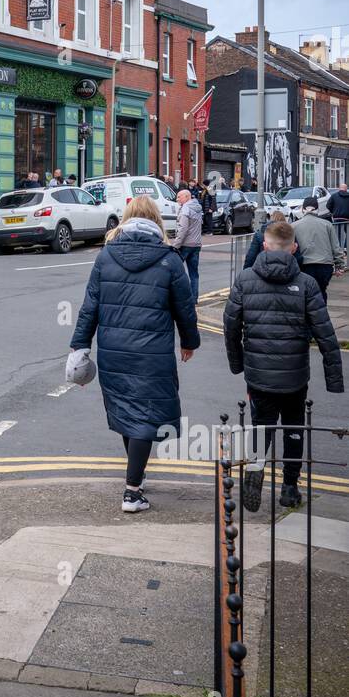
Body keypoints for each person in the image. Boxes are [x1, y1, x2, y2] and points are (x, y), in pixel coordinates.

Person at [68, 195, 199, 514]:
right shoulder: (169, 258)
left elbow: (90, 306)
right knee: (143, 417)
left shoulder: (106, 255)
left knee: (129, 413)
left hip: (114, 350)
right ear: (156, 219)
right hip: (152, 352)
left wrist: (80, 346)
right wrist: (189, 341)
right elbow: (184, 306)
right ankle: (132, 492)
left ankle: (135, 477)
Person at [223, 217, 343, 509]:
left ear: (264, 245)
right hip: (295, 378)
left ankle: (255, 470)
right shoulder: (307, 284)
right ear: (294, 248)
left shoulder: (245, 279)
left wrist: (238, 364)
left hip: (259, 375)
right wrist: (334, 379)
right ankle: (289, 487)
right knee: (294, 429)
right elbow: (326, 334)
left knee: (261, 427)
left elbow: (230, 327)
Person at [291, 198, 346, 304]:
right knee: (321, 291)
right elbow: (335, 247)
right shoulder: (327, 224)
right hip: (324, 265)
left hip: (304, 265)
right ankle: (321, 315)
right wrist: (340, 265)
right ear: (317, 209)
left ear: (303, 209)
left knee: (306, 293)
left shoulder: (294, 226)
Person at [173, 188, 203, 302]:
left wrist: (175, 245)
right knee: (194, 273)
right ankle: (194, 298)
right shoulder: (197, 208)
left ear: (187, 197)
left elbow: (183, 229)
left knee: (175, 271)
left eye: (179, 197)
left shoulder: (186, 209)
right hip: (196, 245)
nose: (177, 199)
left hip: (185, 245)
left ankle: (178, 297)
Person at [327, 181, 349, 251]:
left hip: (337, 218)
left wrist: (333, 212)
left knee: (338, 234)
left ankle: (339, 249)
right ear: (346, 189)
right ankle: (346, 247)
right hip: (347, 219)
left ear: (339, 188)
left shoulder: (334, 196)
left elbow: (328, 205)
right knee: (348, 234)